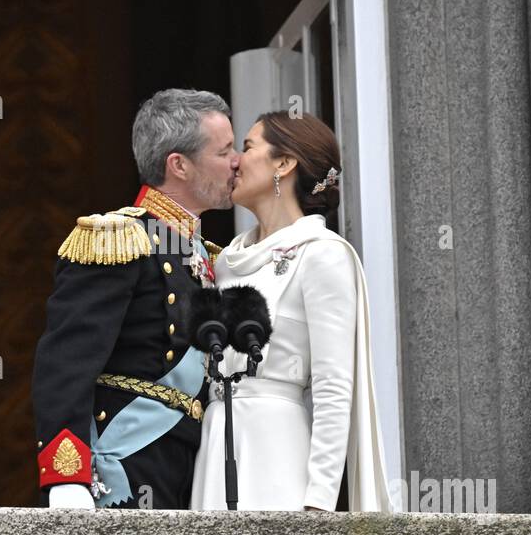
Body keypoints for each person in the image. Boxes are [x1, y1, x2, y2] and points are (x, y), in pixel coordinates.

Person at [33, 89, 240, 509]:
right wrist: (67, 476)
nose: (237, 161)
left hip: (194, 471)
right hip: (125, 465)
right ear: (178, 164)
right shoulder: (117, 240)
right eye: (225, 151)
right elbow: (65, 362)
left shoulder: (209, 256)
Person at [190, 111, 394, 513]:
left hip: (278, 451)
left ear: (283, 164)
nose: (235, 161)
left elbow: (334, 386)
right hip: (216, 441)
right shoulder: (226, 260)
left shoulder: (322, 255)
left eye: (247, 148)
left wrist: (318, 502)